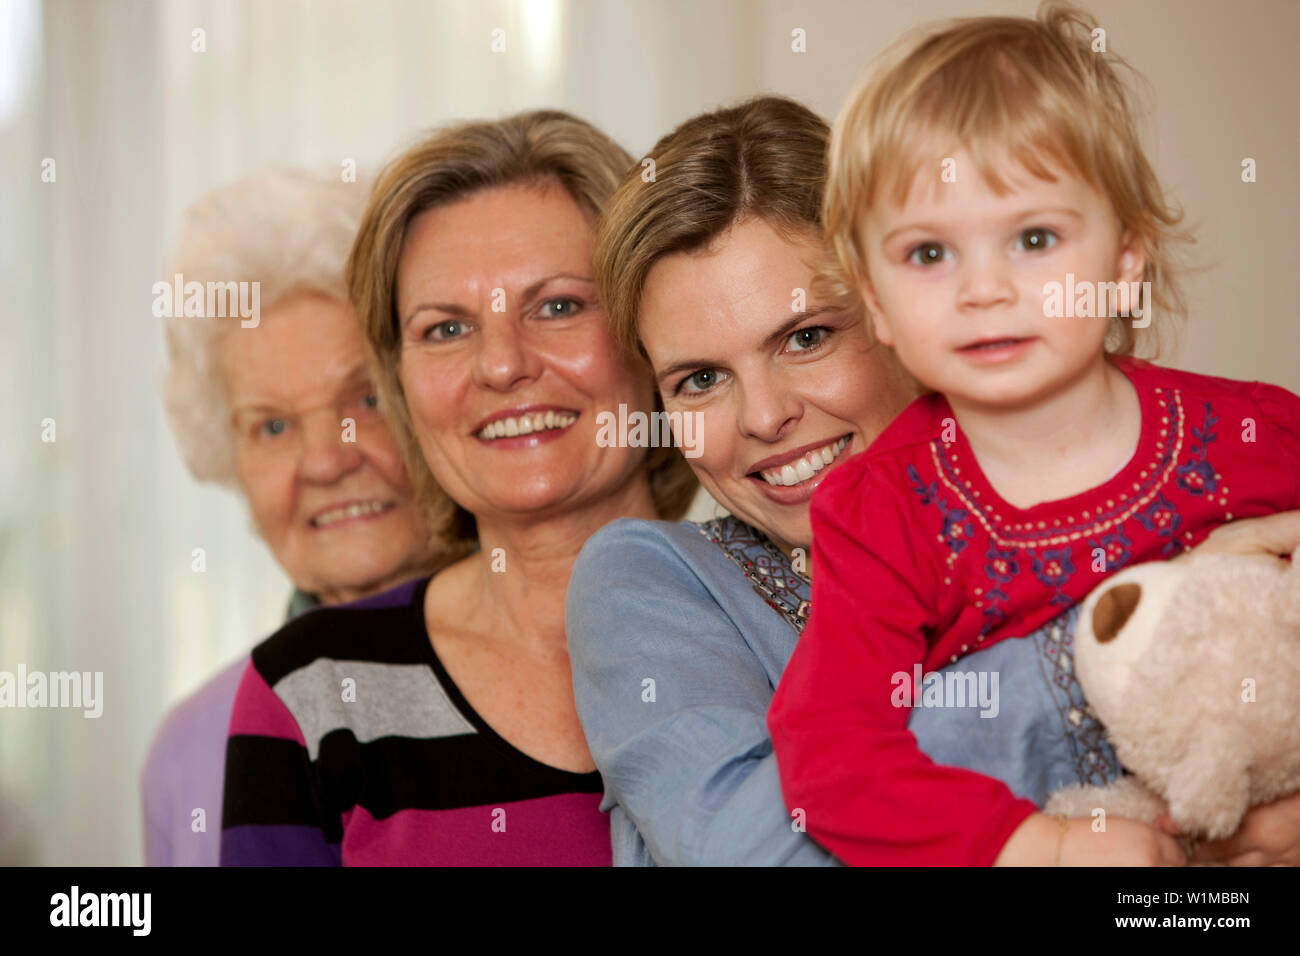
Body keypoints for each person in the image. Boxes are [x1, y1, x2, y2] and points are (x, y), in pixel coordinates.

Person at [567, 93, 1300, 867]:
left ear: (896, 314)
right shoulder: (651, 584)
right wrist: (1153, 626)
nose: (765, 415)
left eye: (807, 337)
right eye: (700, 379)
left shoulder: (1214, 439)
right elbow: (757, 853)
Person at [767, 4, 1300, 866]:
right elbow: (831, 752)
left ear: (1126, 259)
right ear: (873, 300)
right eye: (929, 254)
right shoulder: (881, 511)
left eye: (1035, 238)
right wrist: (1035, 846)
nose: (985, 288)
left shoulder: (1257, 431)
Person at [219, 111, 698, 865]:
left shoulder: (808, 614)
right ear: (401, 381)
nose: (502, 365)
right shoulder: (310, 691)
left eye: (559, 306)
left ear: (653, 327)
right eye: (446, 328)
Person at [143, 168, 437, 866]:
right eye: (271, 427)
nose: (325, 463)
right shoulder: (188, 750)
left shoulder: (564, 674)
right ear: (227, 456)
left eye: (365, 401)